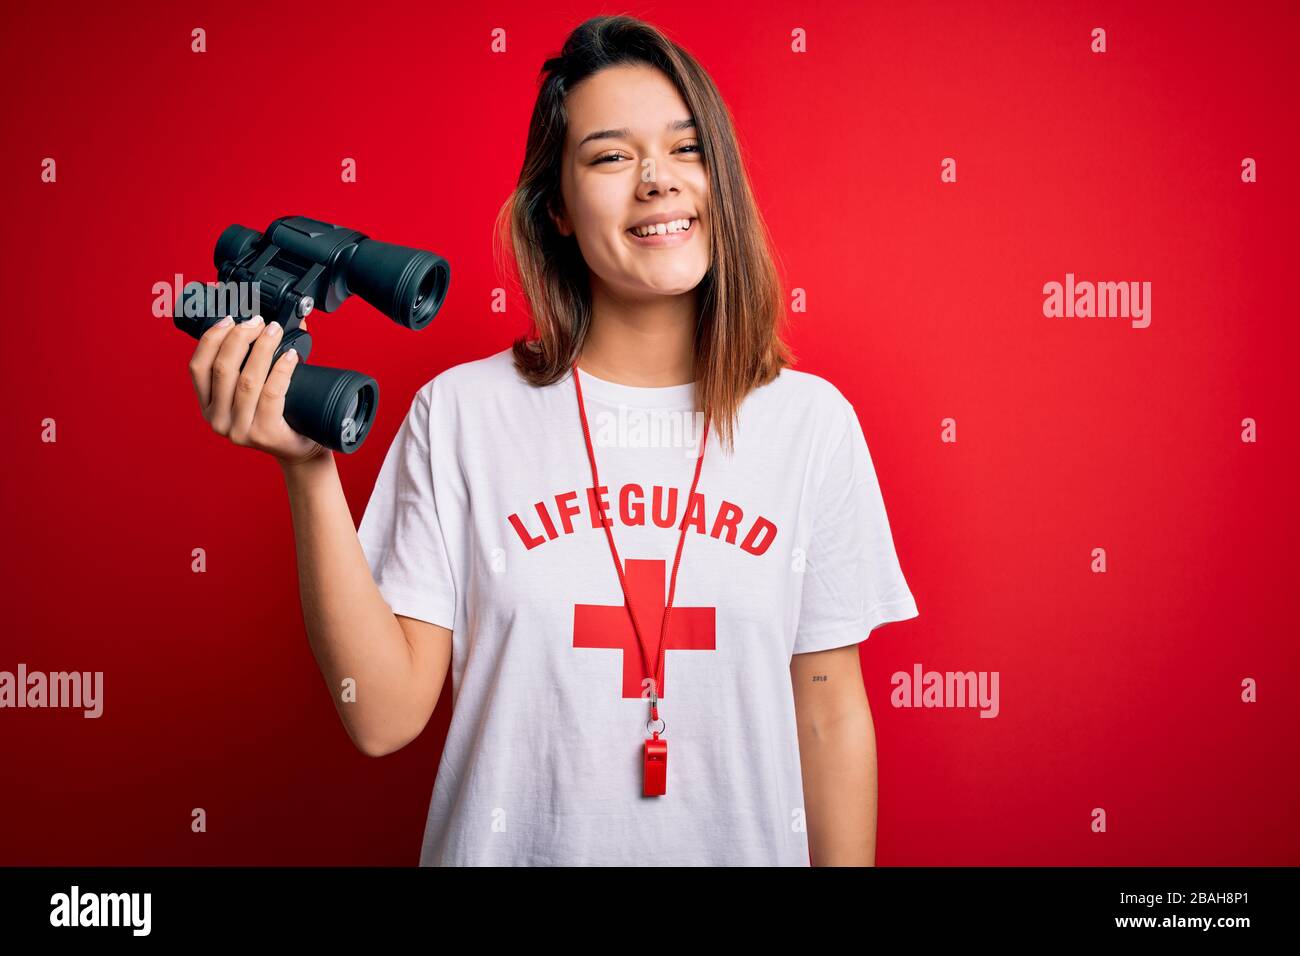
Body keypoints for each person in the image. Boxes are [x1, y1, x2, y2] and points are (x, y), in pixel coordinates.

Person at [186, 14, 918, 866]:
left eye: (687, 150)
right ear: (559, 211)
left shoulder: (809, 424)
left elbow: (827, 711)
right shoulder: (460, 415)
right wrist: (309, 471)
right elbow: (382, 718)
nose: (658, 182)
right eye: (611, 157)